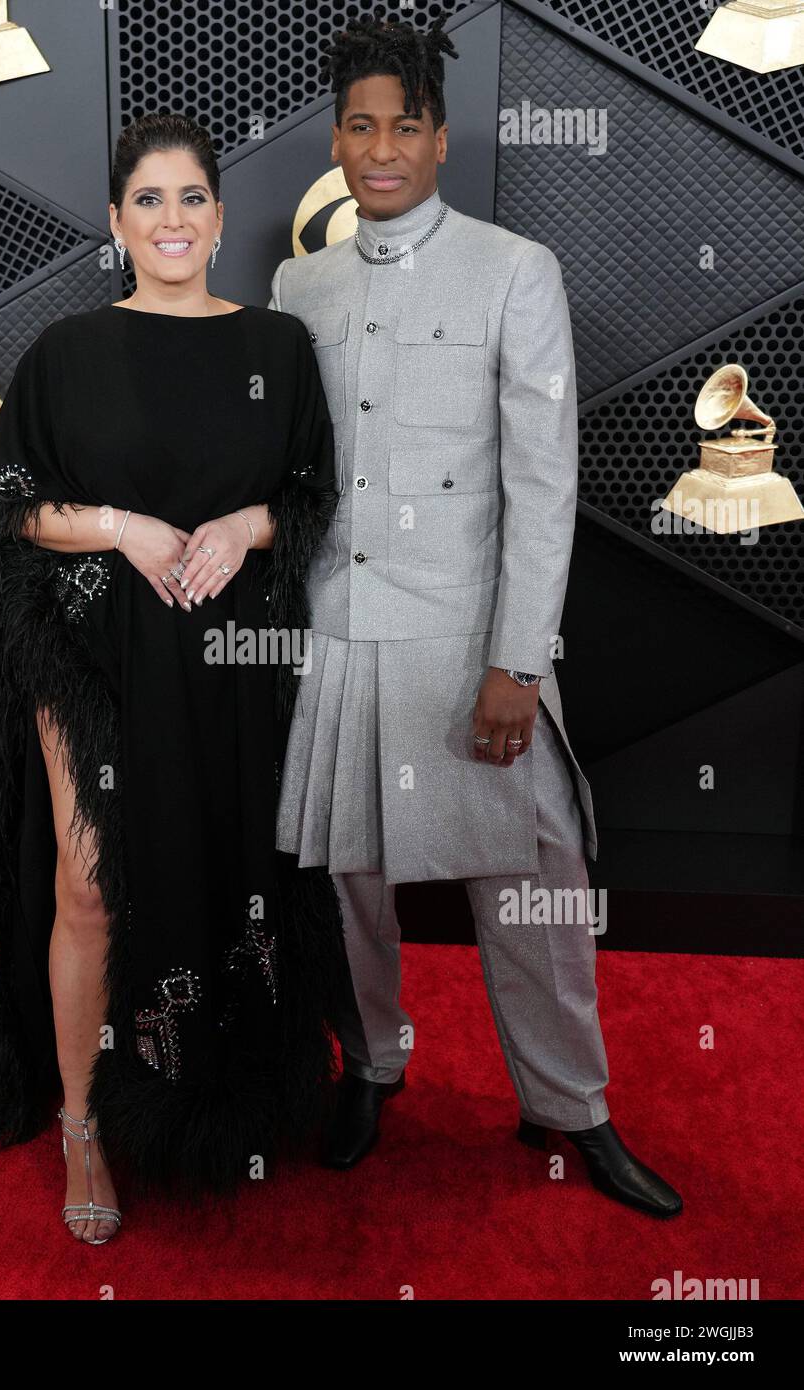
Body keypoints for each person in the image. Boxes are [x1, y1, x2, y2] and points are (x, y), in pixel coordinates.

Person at [0, 113, 351, 1244]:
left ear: (219, 216)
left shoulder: (277, 348)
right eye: (148, 200)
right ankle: (80, 1123)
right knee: (86, 887)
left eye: (191, 198)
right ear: (116, 223)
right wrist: (121, 526)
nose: (172, 220)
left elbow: (311, 495)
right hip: (88, 659)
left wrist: (245, 524)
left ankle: (211, 1094)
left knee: (226, 874)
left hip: (229, 663)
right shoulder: (68, 353)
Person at [270, 15, 682, 1218]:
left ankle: (570, 1104)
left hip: (467, 640)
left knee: (532, 886)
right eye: (359, 126)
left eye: (403, 126)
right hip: (338, 632)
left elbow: (541, 484)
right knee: (346, 885)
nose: (380, 148)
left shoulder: (514, 269)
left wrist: (517, 660)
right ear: (334, 141)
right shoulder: (298, 284)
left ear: (440, 140)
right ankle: (372, 1066)